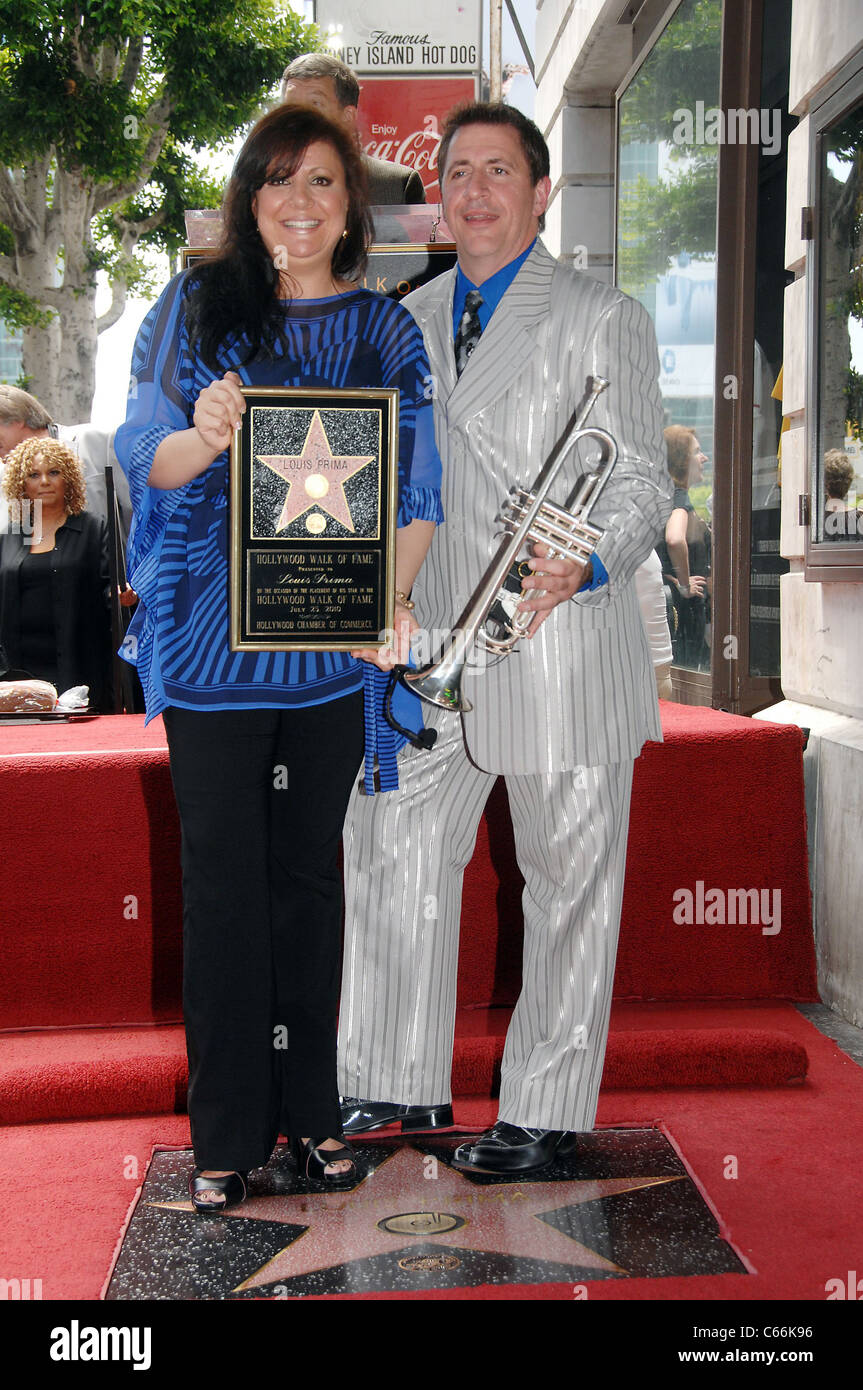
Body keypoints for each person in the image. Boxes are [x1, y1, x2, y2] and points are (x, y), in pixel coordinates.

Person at [113, 105, 441, 1211]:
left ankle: (311, 1113)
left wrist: (389, 599)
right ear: (246, 201)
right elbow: (142, 460)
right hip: (209, 645)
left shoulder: (386, 333)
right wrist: (205, 434)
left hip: (326, 656)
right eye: (274, 183)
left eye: (321, 184)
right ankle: (224, 1134)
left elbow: (417, 489)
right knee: (221, 886)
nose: (298, 204)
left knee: (308, 879)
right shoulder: (195, 310)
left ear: (351, 205)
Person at [337, 102, 672, 1175]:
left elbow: (635, 474)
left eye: (497, 170)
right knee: (388, 850)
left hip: (560, 641)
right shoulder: (402, 318)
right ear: (438, 193)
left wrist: (594, 560)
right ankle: (386, 1078)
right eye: (456, 170)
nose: (473, 189)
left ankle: (546, 1109)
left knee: (569, 883)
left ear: (537, 191)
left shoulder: (596, 312)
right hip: (430, 639)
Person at [0, 437, 115, 709]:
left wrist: (124, 596)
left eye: (54, 472)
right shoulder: (13, 531)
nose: (44, 481)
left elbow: (111, 589)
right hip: (19, 669)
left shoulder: (92, 527)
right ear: (20, 483)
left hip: (78, 661)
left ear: (69, 478)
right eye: (33, 474)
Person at [279, 52, 426, 205]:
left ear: (348, 115)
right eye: (291, 106)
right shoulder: (264, 184)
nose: (299, 116)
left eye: (315, 104)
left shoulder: (398, 185)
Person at [0, 384, 133, 539]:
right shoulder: (5, 477)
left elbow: (139, 511)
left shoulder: (97, 441)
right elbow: (15, 546)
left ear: (17, 418)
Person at [657, 425, 710, 669]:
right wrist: (686, 584)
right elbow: (675, 539)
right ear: (681, 460)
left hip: (674, 610)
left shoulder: (663, 497)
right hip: (684, 612)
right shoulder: (679, 499)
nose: (704, 458)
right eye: (697, 452)